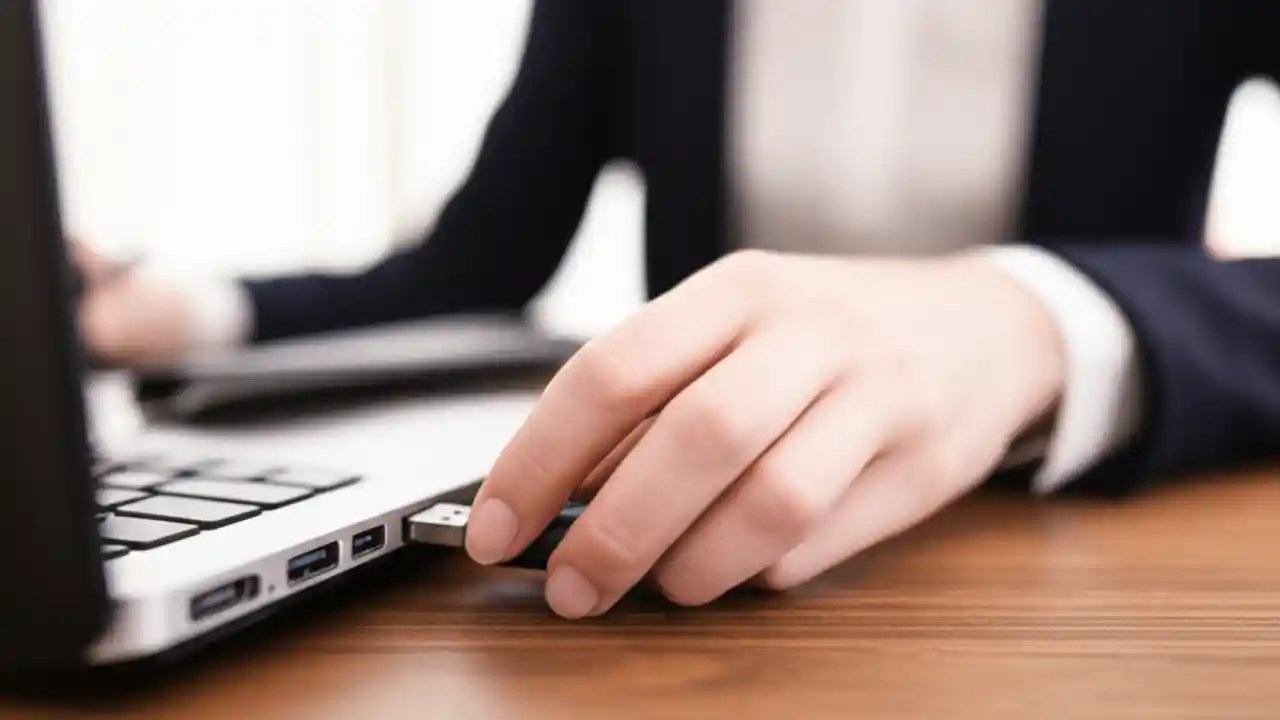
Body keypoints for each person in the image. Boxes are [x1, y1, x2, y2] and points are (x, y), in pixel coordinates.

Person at [78, 1, 1280, 619]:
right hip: (684, 556)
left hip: (1086, 559)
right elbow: (471, 263)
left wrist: (1037, 318)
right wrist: (156, 313)